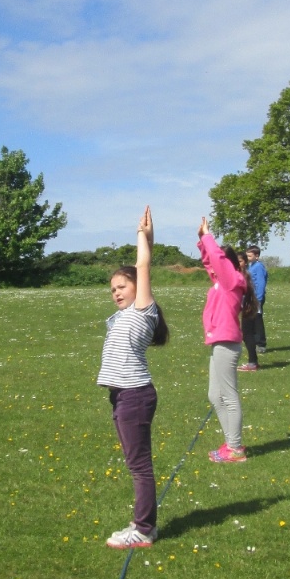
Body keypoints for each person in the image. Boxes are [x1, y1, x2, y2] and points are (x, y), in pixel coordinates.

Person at [100, 208, 170, 549]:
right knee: (135, 463)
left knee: (139, 466)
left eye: (122, 286)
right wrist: (147, 238)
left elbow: (144, 265)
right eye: (112, 288)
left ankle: (143, 529)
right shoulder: (123, 315)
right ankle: (144, 521)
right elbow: (144, 263)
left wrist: (142, 235)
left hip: (135, 395)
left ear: (138, 288)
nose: (116, 292)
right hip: (121, 394)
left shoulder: (143, 312)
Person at [198, 217, 249, 462]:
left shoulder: (232, 281)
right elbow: (211, 263)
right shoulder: (222, 283)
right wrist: (202, 241)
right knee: (215, 396)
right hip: (218, 342)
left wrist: (209, 237)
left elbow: (217, 260)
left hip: (226, 343)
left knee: (229, 396)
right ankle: (230, 443)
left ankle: (236, 449)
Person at [247, 245, 268, 354]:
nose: (248, 258)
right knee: (251, 319)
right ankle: (254, 342)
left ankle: (261, 344)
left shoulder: (259, 267)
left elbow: (261, 283)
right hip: (250, 297)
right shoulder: (251, 266)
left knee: (257, 320)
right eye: (247, 256)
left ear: (257, 256)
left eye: (250, 256)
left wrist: (258, 298)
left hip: (256, 298)